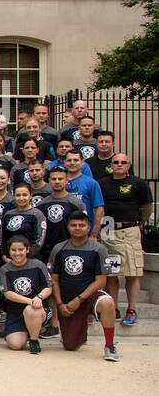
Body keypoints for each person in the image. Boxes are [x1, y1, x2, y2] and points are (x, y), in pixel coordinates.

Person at [49, 209, 118, 361]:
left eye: (81, 225)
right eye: (74, 225)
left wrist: (79, 299)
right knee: (71, 346)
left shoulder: (98, 249)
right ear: (68, 227)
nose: (77, 228)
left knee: (107, 303)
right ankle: (78, 335)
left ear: (88, 227)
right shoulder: (59, 249)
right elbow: (54, 280)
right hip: (67, 300)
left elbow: (101, 281)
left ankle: (110, 345)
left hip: (89, 296)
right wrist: (60, 304)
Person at [98, 152, 151, 326]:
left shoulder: (139, 184)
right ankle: (112, 307)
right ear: (111, 165)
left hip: (129, 230)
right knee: (111, 273)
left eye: (123, 162)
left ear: (129, 165)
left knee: (132, 272)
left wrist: (137, 225)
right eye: (116, 162)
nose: (119, 164)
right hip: (108, 229)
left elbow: (147, 208)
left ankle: (131, 309)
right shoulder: (103, 183)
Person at [0, 235, 52, 354]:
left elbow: (48, 287)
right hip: (16, 311)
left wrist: (38, 297)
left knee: (31, 310)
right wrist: (29, 300)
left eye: (21, 249)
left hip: (38, 308)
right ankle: (27, 330)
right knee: (15, 345)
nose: (17, 253)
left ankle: (34, 340)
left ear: (27, 249)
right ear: (9, 251)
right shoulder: (5, 269)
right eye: (13, 250)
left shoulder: (38, 265)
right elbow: (7, 293)